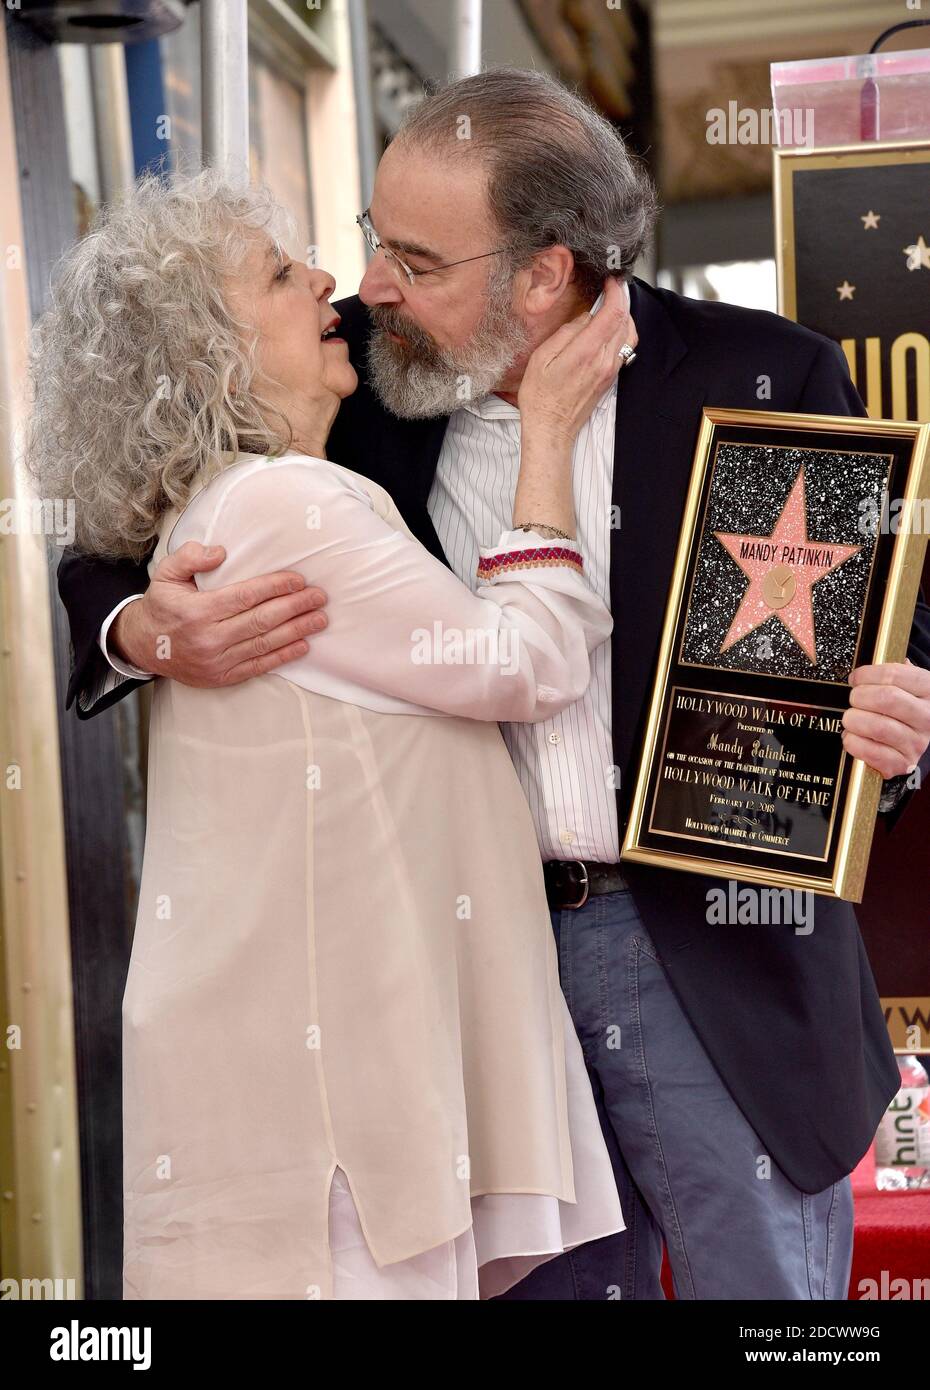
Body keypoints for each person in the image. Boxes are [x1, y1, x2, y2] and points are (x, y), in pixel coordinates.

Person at [58, 70, 930, 1300]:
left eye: (415, 257)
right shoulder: (345, 380)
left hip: (715, 954)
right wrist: (146, 630)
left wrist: (904, 727)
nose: (370, 287)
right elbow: (104, 540)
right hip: (466, 963)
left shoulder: (768, 374)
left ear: (545, 269)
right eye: (373, 241)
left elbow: (890, 643)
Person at [27, 168, 643, 1299]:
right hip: (340, 1093)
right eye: (281, 270)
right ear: (210, 351)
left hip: (343, 1058)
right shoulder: (286, 506)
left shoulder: (271, 472)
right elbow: (526, 661)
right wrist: (548, 438)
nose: (339, 282)